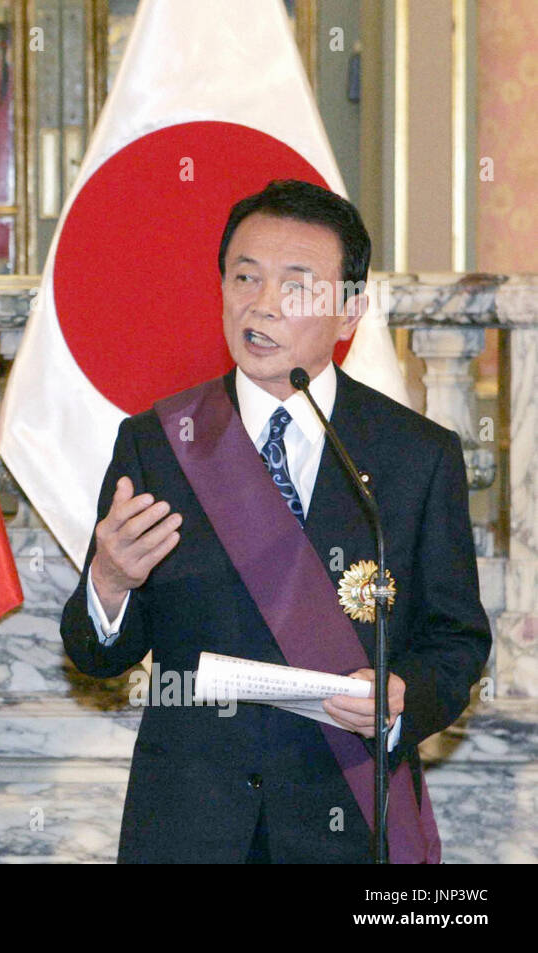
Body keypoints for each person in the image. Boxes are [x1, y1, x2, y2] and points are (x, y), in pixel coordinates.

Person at [60, 179, 491, 863]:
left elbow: (456, 641)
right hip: (189, 824)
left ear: (349, 312)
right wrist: (108, 584)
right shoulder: (160, 441)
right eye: (244, 277)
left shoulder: (415, 455)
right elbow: (97, 653)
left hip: (344, 816)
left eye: (296, 286)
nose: (260, 305)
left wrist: (403, 696)